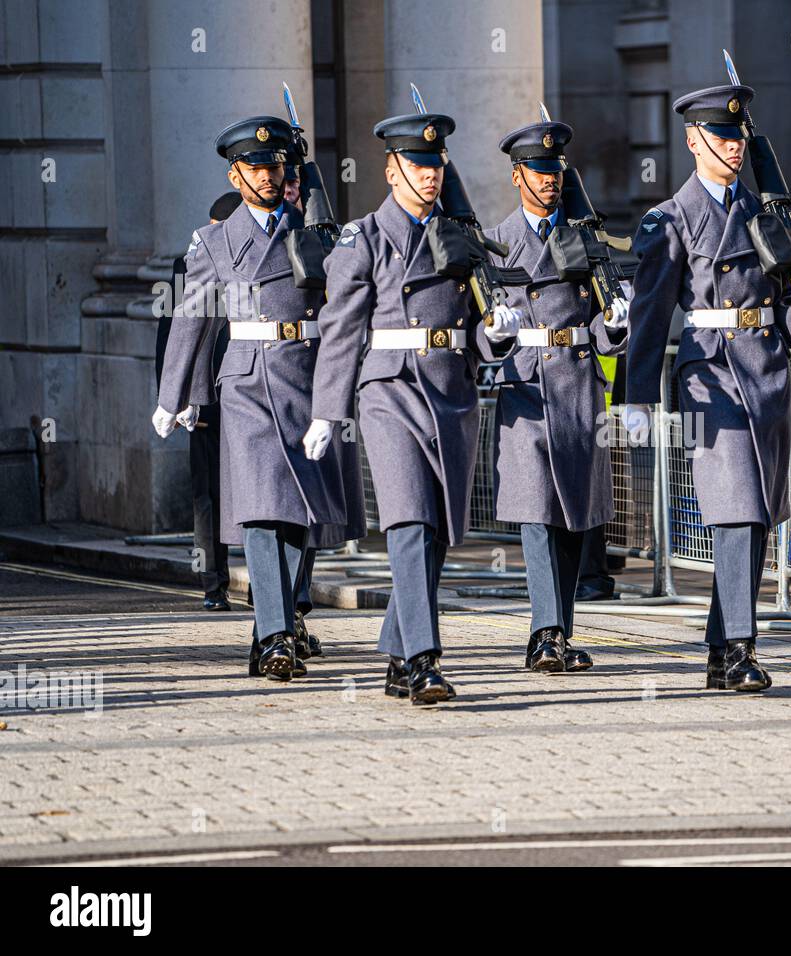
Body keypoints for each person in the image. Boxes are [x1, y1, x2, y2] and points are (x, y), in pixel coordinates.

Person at [625, 84, 791, 692]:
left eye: (740, 135)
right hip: (710, 376)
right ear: (694, 141)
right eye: (722, 136)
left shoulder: (766, 210)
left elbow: (781, 301)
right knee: (736, 510)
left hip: (767, 370)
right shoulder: (671, 217)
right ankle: (744, 647)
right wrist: (636, 395)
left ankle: (721, 650)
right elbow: (649, 312)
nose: (734, 146)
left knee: (760, 514)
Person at [305, 109, 521, 705]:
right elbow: (341, 330)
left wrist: (498, 333)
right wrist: (328, 410)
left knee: (437, 533)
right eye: (418, 165)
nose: (429, 175)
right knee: (409, 520)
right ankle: (425, 660)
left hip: (452, 391)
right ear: (392, 169)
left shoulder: (462, 235)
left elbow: (476, 330)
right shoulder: (363, 239)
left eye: (436, 165)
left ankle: (398, 655)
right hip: (389, 391)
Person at [153, 116, 358, 682]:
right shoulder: (215, 241)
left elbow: (345, 314)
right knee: (263, 515)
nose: (269, 176)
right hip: (247, 384)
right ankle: (274, 638)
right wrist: (174, 395)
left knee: (296, 518)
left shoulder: (317, 231)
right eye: (257, 168)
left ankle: (278, 623)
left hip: (308, 378)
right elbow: (192, 316)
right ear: (235, 175)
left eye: (276, 167)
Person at [485, 119, 629, 673]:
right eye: (539, 171)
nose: (549, 180)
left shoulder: (586, 238)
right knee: (536, 514)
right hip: (526, 386)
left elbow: (604, 321)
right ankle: (544, 631)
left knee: (574, 515)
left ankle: (559, 634)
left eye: (555, 171)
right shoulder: (496, 243)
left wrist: (616, 324)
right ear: (517, 175)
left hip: (578, 387)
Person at [154, 190, 241, 612]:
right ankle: (213, 583)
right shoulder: (185, 267)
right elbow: (171, 337)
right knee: (207, 495)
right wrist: (175, 397)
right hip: (204, 398)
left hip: (246, 391)